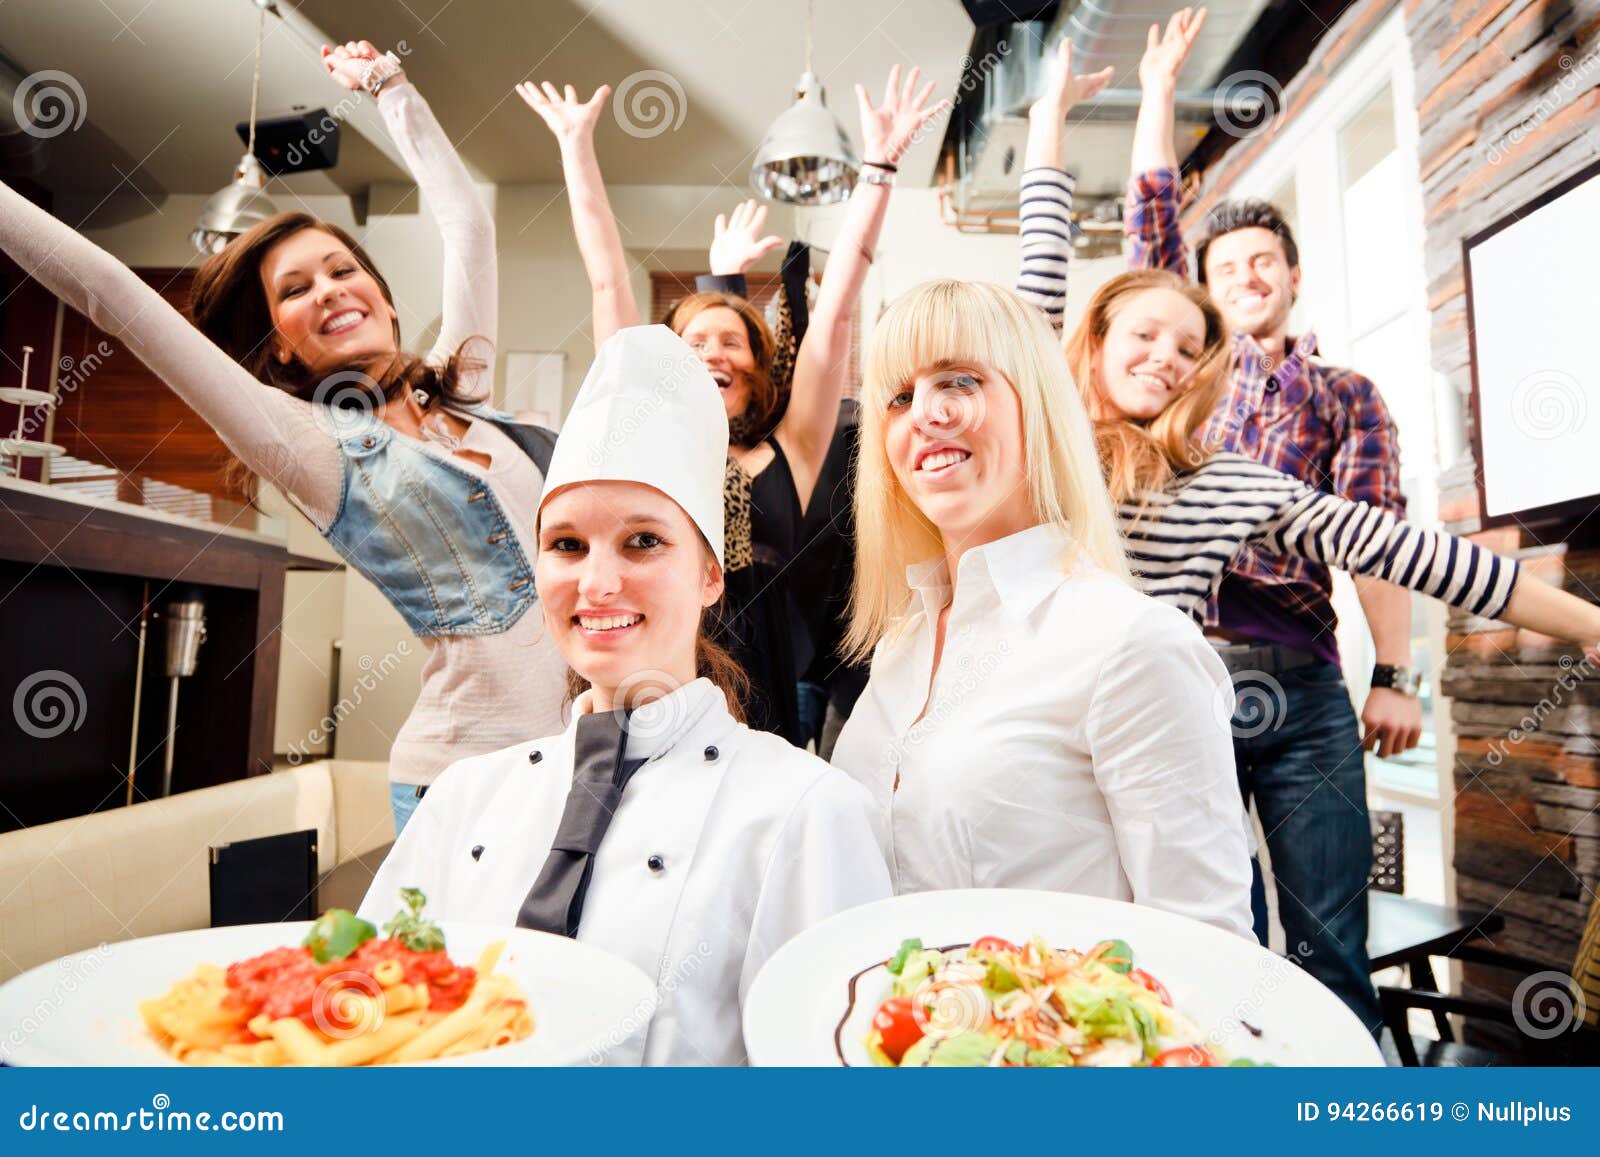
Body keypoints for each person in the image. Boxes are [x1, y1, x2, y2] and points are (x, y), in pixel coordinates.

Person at [0, 40, 567, 834]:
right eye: (294, 290)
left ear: (385, 298)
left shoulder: (462, 391)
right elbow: (109, 293)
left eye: (342, 270)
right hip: (461, 785)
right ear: (280, 348)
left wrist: (389, 86)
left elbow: (469, 226)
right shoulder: (305, 443)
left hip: (574, 761)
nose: (330, 291)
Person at [360, 326, 891, 1066]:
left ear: (711, 574)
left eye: (643, 541)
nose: (597, 583)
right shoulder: (463, 799)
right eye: (567, 545)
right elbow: (368, 1033)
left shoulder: (806, 810)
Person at [1118, 7, 1420, 1026]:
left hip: (1301, 686)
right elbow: (1150, 226)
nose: (1243, 277)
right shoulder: (1179, 373)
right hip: (1177, 670)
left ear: (1290, 276)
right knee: (1209, 939)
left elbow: (1378, 536)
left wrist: (1394, 676)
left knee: (1331, 941)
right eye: (1224, 268)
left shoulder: (1346, 394)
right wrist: (1157, 97)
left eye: (1261, 263)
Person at [519, 69, 949, 747]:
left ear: (757, 364)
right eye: (693, 343)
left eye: (731, 340)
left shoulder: (796, 444)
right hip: (662, 647)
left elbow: (835, 310)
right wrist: (576, 148)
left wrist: (881, 166)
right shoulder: (645, 439)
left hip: (775, 670)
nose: (712, 353)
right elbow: (606, 277)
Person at [830, 279, 1254, 939]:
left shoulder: (1131, 644)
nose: (925, 415)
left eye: (960, 381)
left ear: (1038, 406)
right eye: (900, 396)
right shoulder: (900, 645)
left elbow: (1208, 947)